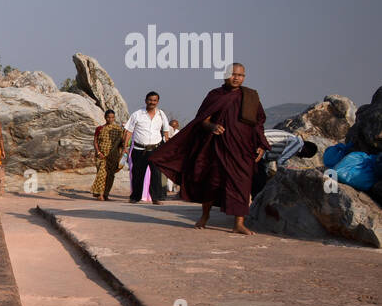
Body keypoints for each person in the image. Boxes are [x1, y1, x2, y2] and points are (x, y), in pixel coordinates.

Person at [148, 62, 272, 235]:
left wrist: (261, 145)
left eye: (240, 75)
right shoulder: (215, 95)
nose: (236, 78)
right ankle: (205, 216)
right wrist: (212, 127)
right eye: (233, 74)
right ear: (225, 75)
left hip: (242, 148)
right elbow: (202, 120)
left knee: (242, 184)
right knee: (211, 183)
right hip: (218, 148)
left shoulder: (251, 97)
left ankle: (239, 224)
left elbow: (258, 123)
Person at [123, 92, 174, 204]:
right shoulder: (137, 114)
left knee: (156, 174)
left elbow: (165, 130)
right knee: (138, 174)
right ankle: (135, 197)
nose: (152, 102)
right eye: (150, 100)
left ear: (157, 102)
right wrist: (125, 146)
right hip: (139, 149)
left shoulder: (161, 114)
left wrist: (167, 146)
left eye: (154, 100)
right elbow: (129, 131)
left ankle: (155, 198)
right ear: (146, 100)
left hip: (156, 149)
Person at [251, 128, 318, 197]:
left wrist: (267, 172)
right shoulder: (298, 143)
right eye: (304, 156)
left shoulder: (292, 139)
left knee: (258, 178)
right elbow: (281, 160)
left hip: (255, 145)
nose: (301, 157)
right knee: (259, 182)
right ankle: (254, 203)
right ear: (306, 149)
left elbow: (266, 160)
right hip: (255, 146)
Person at [91, 109, 126, 199]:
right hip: (101, 156)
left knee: (110, 175)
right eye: (108, 117)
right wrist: (98, 152)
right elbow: (95, 141)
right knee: (102, 174)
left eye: (112, 117)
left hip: (113, 156)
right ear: (105, 117)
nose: (110, 119)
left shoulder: (118, 130)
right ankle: (100, 194)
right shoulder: (100, 128)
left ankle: (106, 194)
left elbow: (122, 143)